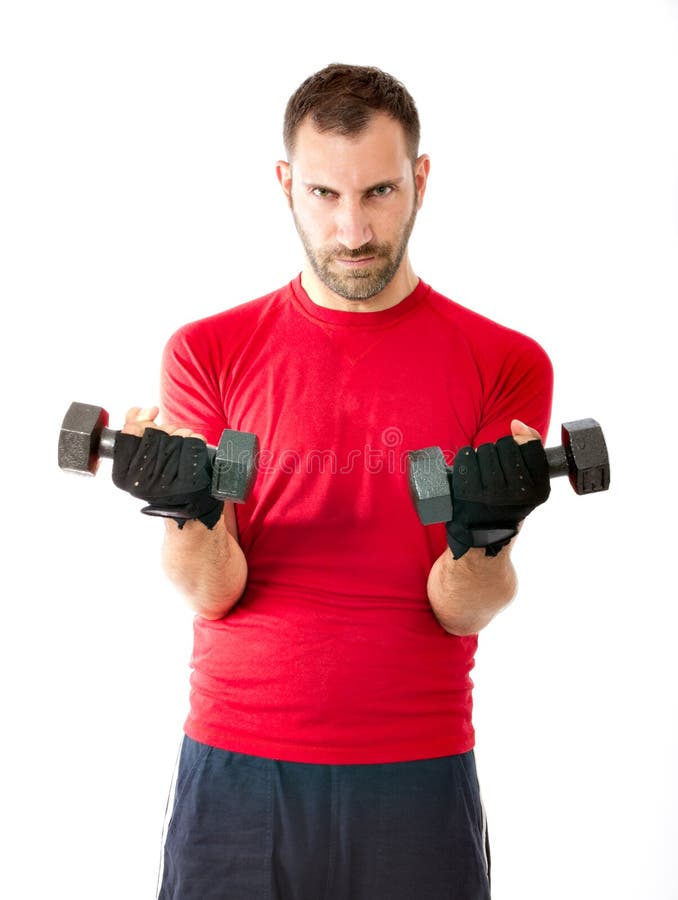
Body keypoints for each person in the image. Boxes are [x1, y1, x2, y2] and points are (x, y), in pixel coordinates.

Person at [113, 64, 553, 900]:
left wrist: (484, 533)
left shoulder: (505, 363)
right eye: (324, 195)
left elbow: (462, 605)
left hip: (417, 764)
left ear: (420, 180)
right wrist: (187, 510)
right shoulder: (209, 351)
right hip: (238, 765)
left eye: (380, 192)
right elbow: (213, 591)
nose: (352, 229)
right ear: (286, 185)